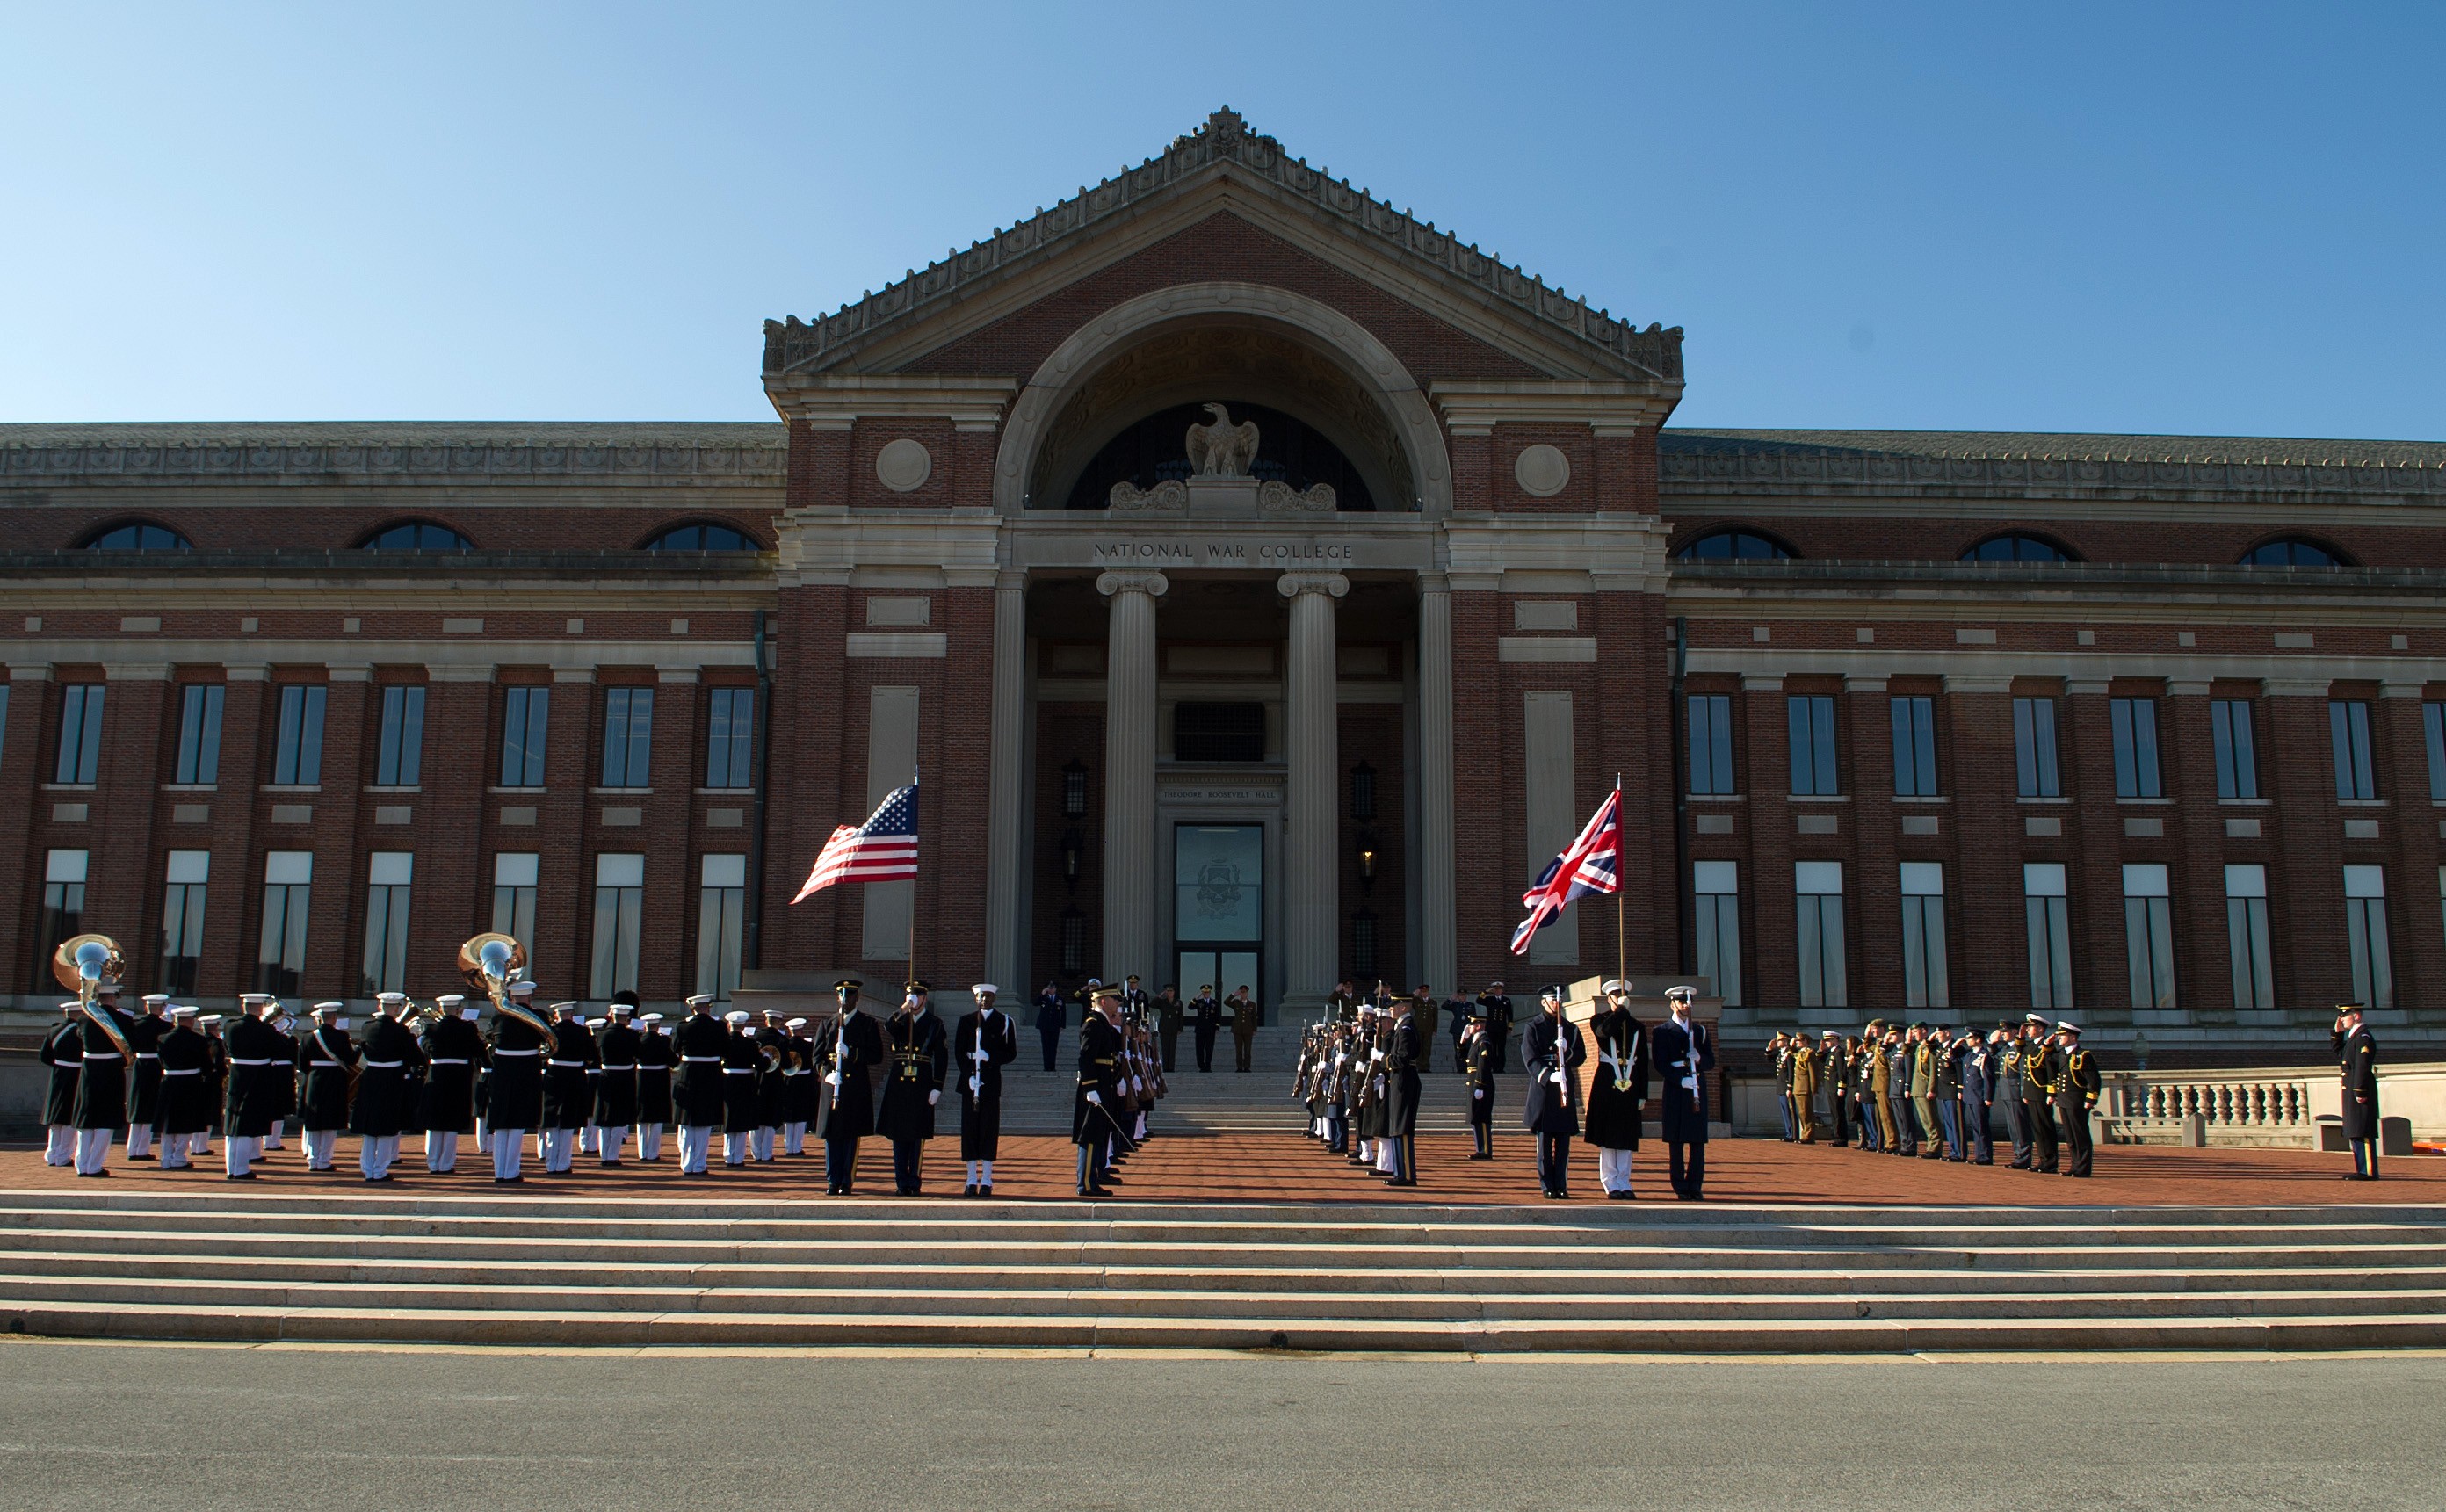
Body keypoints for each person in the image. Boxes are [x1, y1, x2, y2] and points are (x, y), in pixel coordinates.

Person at [875, 981, 949, 1195]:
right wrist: (904, 1008)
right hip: (899, 1081)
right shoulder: (902, 1019)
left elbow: (941, 1058)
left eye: (917, 995)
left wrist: (938, 1086)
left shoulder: (935, 1023)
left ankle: (914, 1181)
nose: (913, 998)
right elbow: (888, 1025)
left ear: (925, 998)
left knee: (917, 1134)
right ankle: (901, 1181)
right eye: (910, 995)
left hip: (921, 1079)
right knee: (898, 1134)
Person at [814, 979, 880, 1196]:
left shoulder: (867, 1024)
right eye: (842, 995)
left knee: (850, 1135)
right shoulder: (828, 1023)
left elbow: (876, 1055)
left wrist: (852, 1053)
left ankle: (846, 1181)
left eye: (849, 995)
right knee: (832, 1135)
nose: (845, 999)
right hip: (833, 1085)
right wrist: (827, 1074)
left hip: (854, 1087)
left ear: (857, 997)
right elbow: (817, 1056)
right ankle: (832, 1179)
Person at [1584, 980, 1648, 1198]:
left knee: (1626, 1136)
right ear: (1609, 998)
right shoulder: (1600, 1020)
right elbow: (1605, 1033)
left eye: (1622, 996)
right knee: (1609, 1135)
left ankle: (1624, 1180)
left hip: (1630, 1083)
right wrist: (1619, 1011)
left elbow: (1643, 1062)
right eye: (1615, 996)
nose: (1619, 999)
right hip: (1608, 1082)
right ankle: (1610, 1181)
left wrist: (1643, 1093)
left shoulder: (1637, 1027)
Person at [1520, 985, 1585, 1199]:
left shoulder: (1570, 1028)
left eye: (1559, 999)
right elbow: (1530, 1059)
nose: (1556, 1003)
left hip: (1564, 1087)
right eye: (1552, 999)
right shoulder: (1534, 1026)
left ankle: (1561, 1184)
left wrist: (1567, 1051)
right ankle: (1547, 1184)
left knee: (1563, 1143)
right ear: (1543, 1002)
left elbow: (1580, 1056)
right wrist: (1548, 1076)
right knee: (1545, 1143)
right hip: (1544, 1090)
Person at [954, 983, 1019, 1196]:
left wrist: (990, 1058)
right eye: (980, 996)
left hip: (990, 1081)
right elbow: (959, 1052)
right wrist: (968, 1076)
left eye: (988, 996)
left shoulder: (1004, 1022)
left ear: (994, 998)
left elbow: (1010, 1052)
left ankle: (987, 1178)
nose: (984, 1000)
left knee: (988, 1130)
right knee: (970, 1130)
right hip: (971, 1082)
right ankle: (971, 1179)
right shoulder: (966, 1021)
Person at [69, 985, 138, 1178]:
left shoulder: (84, 1018)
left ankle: (82, 1165)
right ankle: (95, 1165)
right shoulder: (123, 1019)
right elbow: (133, 1044)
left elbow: (79, 1038)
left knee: (87, 1118)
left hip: (89, 1070)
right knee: (105, 1119)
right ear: (114, 998)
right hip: (112, 1069)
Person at [351, 993, 421, 1182]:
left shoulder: (367, 1028)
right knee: (387, 1125)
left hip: (372, 1078)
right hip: (392, 1079)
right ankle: (380, 1170)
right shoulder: (401, 1031)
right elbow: (416, 1057)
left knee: (370, 1125)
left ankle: (367, 1168)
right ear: (396, 1008)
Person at [1654, 985, 1714, 1200]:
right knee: (1676, 1140)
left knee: (1697, 1140)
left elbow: (1710, 1061)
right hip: (1676, 1088)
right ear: (1672, 1004)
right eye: (1681, 1002)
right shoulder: (1662, 1031)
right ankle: (1680, 1186)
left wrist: (1699, 1058)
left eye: (1688, 1002)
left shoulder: (1700, 1031)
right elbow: (1660, 1063)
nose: (1686, 1006)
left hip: (1696, 1086)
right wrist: (1680, 1079)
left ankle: (1695, 1185)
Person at [485, 982, 547, 1183]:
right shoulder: (539, 1016)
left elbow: (489, 1038)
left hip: (502, 1070)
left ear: (512, 997)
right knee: (517, 1122)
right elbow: (549, 1039)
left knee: (501, 1121)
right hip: (526, 1069)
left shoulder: (499, 1016)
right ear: (529, 998)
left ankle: (499, 1171)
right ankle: (511, 1171)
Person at [221, 996, 289, 1180]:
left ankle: (231, 1168)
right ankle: (241, 1169)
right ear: (260, 1009)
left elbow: (226, 1047)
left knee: (233, 1122)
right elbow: (282, 1050)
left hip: (237, 1076)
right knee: (247, 1124)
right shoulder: (265, 1029)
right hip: (258, 1078)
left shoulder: (230, 1026)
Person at [417, 995, 480, 1173]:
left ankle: (433, 1163)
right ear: (458, 1010)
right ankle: (446, 1164)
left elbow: (424, 1052)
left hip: (436, 1077)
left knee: (434, 1121)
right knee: (452, 1123)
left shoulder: (431, 1029)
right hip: (458, 1079)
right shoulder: (467, 1028)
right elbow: (478, 1050)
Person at [1074, 987, 1126, 1196]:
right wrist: (1090, 1087)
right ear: (1104, 1001)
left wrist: (1116, 1080)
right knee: (1091, 1135)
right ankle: (1086, 1184)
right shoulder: (1093, 1024)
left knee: (1099, 1134)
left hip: (1105, 1084)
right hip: (1095, 1087)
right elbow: (1086, 1058)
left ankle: (1094, 1178)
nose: (1118, 1003)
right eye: (1115, 999)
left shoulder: (1103, 1024)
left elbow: (1109, 1059)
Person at [294, 1002, 356, 1173]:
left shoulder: (307, 1037)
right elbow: (350, 1060)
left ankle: (312, 1159)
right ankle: (324, 1160)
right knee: (330, 1122)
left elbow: (302, 1064)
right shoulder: (341, 1036)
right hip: (334, 1080)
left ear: (319, 1018)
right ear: (334, 1018)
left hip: (314, 1079)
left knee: (314, 1121)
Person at [672, 993, 728, 1176]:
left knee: (687, 1121)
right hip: (710, 1075)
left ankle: (687, 1163)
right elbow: (726, 1050)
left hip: (688, 1074)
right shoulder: (718, 1027)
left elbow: (674, 1050)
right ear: (708, 1007)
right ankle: (699, 1163)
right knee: (704, 1123)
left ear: (692, 1008)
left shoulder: (682, 1027)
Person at [540, 1001, 596, 1174]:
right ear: (571, 1014)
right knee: (568, 1122)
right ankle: (563, 1164)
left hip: (554, 1075)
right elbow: (592, 1055)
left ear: (557, 1015)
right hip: (574, 1076)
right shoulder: (582, 1031)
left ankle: (551, 1163)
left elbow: (543, 1052)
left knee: (552, 1120)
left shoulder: (550, 1031)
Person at [156, 1006, 212, 1170]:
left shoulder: (163, 1038)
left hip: (169, 1081)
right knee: (186, 1121)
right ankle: (179, 1157)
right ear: (191, 1020)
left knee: (168, 1121)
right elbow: (206, 1065)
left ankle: (166, 1157)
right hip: (190, 1083)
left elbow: (161, 1060)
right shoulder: (198, 1040)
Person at [2334, 1003, 2381, 1181]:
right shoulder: (2353, 1038)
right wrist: (2337, 1034)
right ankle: (2361, 1168)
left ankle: (2368, 1170)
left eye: (2345, 1016)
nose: (2341, 1019)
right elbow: (2340, 1053)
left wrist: (2359, 1091)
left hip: (2359, 1089)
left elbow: (2362, 1066)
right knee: (2355, 1130)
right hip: (2353, 1089)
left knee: (2363, 1129)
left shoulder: (2363, 1037)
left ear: (2356, 1016)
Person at [1380, 990, 1422, 1186]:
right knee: (1397, 1127)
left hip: (1405, 1081)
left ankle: (1406, 1175)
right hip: (1400, 1081)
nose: (1391, 1009)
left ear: (1404, 1007)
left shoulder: (1406, 1029)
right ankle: (1400, 1172)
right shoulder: (1401, 1028)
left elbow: (1403, 1058)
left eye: (1394, 1006)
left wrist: (1382, 1059)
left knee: (1402, 1128)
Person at [592, 1002, 640, 1166]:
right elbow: (639, 1054)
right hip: (625, 1076)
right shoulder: (631, 1035)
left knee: (605, 1116)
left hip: (606, 1075)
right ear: (626, 1018)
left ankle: (604, 1155)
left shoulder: (602, 1034)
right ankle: (613, 1155)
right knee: (619, 1116)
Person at [125, 994, 170, 1161]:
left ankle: (132, 1148)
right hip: (155, 1065)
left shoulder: (136, 1025)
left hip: (140, 1064)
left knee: (137, 1104)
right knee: (150, 1106)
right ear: (161, 1008)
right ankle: (142, 1149)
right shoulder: (166, 1026)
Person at [2054, 1022, 2100, 1178]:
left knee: (2080, 1134)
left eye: (2062, 1036)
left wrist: (2091, 1098)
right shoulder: (2061, 1054)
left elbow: (2093, 1080)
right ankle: (2075, 1165)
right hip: (2064, 1100)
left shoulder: (2083, 1055)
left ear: (2072, 1037)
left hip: (2076, 1099)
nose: (2059, 1038)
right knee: (2070, 1135)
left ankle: (2083, 1167)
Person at [40, 1003, 82, 1167]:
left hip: (58, 1073)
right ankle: (63, 1155)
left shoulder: (54, 1030)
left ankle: (52, 1154)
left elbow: (45, 1056)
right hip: (76, 1074)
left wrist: (59, 1064)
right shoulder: (79, 1032)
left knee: (56, 1116)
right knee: (69, 1116)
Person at [719, 1010, 761, 1167]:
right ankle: (738, 1157)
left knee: (729, 1117)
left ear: (729, 1025)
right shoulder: (750, 1043)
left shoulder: (724, 1042)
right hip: (745, 1082)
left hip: (728, 1080)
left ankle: (728, 1155)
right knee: (742, 1118)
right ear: (743, 1026)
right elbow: (761, 1065)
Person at [2021, 1014, 2061, 1174]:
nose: (2028, 1030)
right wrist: (2021, 1036)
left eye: (2030, 1027)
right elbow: (2021, 1050)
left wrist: (2051, 1093)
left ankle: (2050, 1161)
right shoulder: (2032, 1046)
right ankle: (2043, 1159)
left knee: (2045, 1128)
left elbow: (2052, 1072)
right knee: (2037, 1129)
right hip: (2032, 1092)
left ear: (2040, 1029)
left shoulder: (2047, 1047)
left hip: (2042, 1092)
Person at [634, 1011, 676, 1161]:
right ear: (657, 1026)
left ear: (645, 1026)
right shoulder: (663, 1041)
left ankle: (642, 1152)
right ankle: (653, 1152)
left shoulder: (638, 1040)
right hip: (659, 1079)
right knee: (657, 1117)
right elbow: (674, 1061)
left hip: (642, 1079)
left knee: (642, 1116)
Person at [1459, 1013, 1497, 1159]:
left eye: (1472, 1025)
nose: (1469, 1027)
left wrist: (1480, 1085)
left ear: (1479, 1026)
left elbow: (1483, 1066)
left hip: (1481, 1083)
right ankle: (1480, 1148)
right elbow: (1463, 1060)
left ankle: (1485, 1150)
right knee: (1475, 1117)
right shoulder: (1476, 1041)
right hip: (1474, 1082)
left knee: (1481, 1118)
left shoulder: (1484, 1042)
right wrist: (1462, 1043)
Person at [778, 1017, 816, 1156]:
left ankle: (788, 1146)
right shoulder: (808, 1046)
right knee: (801, 1115)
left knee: (789, 1115)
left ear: (790, 1030)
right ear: (801, 1030)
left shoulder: (785, 1045)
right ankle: (797, 1146)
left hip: (789, 1080)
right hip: (804, 1081)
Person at [1960, 1030, 1996, 1165]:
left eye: (1970, 1038)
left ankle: (1985, 1156)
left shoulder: (1985, 1056)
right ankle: (1979, 1154)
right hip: (1970, 1095)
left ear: (1978, 1040)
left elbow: (1988, 1078)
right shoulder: (1969, 1055)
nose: (1967, 1040)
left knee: (1982, 1127)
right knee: (1975, 1127)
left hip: (1979, 1096)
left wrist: (1988, 1097)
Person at [1998, 1022, 2030, 1168]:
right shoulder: (2005, 1048)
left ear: (2015, 1032)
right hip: (2006, 1091)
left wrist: (2024, 1090)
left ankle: (2024, 1156)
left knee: (2020, 1126)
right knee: (2013, 1127)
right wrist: (1992, 1044)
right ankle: (2018, 1154)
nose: (2003, 1033)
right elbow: (1995, 1057)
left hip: (2016, 1091)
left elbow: (2023, 1071)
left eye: (2006, 1031)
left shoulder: (2020, 1048)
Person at [1478, 981, 1515, 1073]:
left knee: (1501, 1049)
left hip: (1502, 1028)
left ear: (1502, 990)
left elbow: (1510, 1014)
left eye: (1499, 989)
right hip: (1492, 1027)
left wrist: (1510, 1027)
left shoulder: (1506, 1000)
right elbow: (1478, 1000)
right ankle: (1494, 1067)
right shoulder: (1489, 999)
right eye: (1496, 989)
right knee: (1492, 1048)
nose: (1498, 991)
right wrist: (1485, 992)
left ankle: (1501, 1068)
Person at [1033, 982, 1067, 1072]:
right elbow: (1035, 1003)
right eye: (1049, 988)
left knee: (1053, 1047)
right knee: (1046, 1046)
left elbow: (1063, 1013)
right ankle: (1046, 1066)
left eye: (1053, 988)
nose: (1051, 990)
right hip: (1044, 1025)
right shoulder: (1043, 997)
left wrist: (1062, 1025)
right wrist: (1042, 994)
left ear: (1055, 989)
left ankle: (1052, 1066)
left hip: (1055, 1025)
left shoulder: (1060, 999)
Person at [1228, 984, 1261, 1072]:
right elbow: (1226, 1002)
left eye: (1244, 992)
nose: (1243, 994)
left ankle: (1247, 1067)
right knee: (1238, 1049)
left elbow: (1254, 1017)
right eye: (1241, 992)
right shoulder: (1236, 1003)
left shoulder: (1252, 1004)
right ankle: (1239, 1067)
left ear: (1247, 993)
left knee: (1247, 1049)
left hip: (1248, 1030)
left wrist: (1254, 1029)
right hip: (1238, 1030)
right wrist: (1233, 995)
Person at [1190, 984, 1222, 1072]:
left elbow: (1217, 1015)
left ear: (1210, 992)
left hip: (1210, 1029)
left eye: (1208, 992)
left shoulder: (1214, 1002)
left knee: (1209, 1048)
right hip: (1200, 1029)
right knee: (1199, 1048)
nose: (1206, 994)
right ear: (1202, 993)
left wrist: (1217, 1026)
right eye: (1204, 992)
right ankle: (1201, 1066)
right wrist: (1195, 998)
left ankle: (1208, 1066)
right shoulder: (1199, 1002)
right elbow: (1190, 1007)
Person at [1154, 984, 1184, 1072]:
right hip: (1164, 1028)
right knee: (1165, 1049)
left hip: (1173, 1028)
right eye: (1168, 991)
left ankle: (1171, 1067)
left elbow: (1181, 1016)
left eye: (1171, 991)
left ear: (1174, 992)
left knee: (1172, 1049)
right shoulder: (1162, 1002)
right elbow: (1152, 1004)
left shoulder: (1178, 1002)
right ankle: (1165, 1067)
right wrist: (1160, 996)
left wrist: (1180, 1028)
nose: (1170, 993)